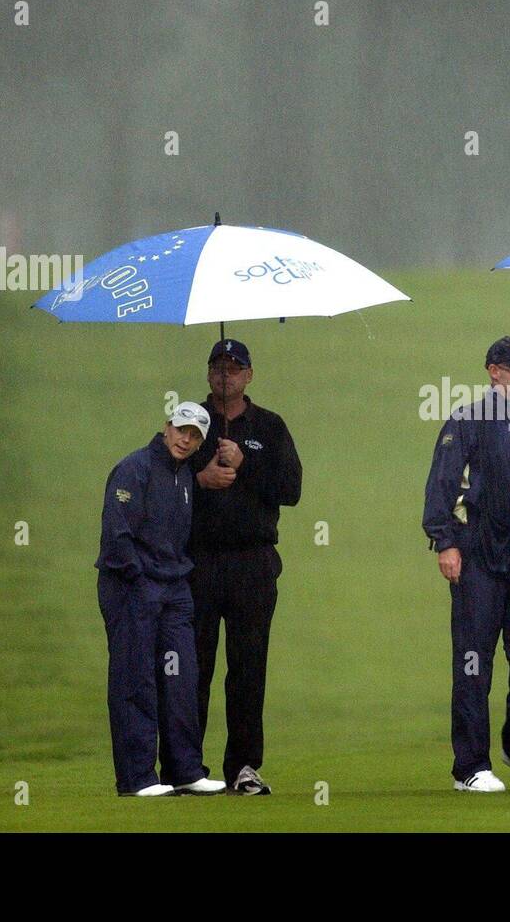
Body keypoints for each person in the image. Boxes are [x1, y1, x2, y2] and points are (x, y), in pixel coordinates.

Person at [423, 336, 510, 793]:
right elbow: (442, 485)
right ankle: (470, 767)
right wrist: (444, 542)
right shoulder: (467, 422)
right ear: (492, 371)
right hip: (477, 559)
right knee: (475, 663)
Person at [188, 339, 302, 796]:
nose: (225, 374)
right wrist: (202, 479)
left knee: (248, 667)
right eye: (218, 366)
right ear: (208, 373)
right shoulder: (190, 421)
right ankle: (186, 765)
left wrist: (245, 461)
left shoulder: (269, 427)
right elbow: (162, 476)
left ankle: (243, 767)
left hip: (252, 562)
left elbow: (291, 488)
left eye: (235, 368)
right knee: (191, 666)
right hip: (196, 561)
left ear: (249, 376)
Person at [95, 402, 226, 797]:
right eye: (181, 430)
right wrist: (139, 577)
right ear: (167, 426)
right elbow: (117, 535)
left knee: (180, 679)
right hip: (132, 587)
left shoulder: (184, 476)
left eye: (195, 436)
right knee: (136, 679)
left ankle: (183, 770)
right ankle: (137, 778)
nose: (186, 440)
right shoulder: (134, 469)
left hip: (173, 590)